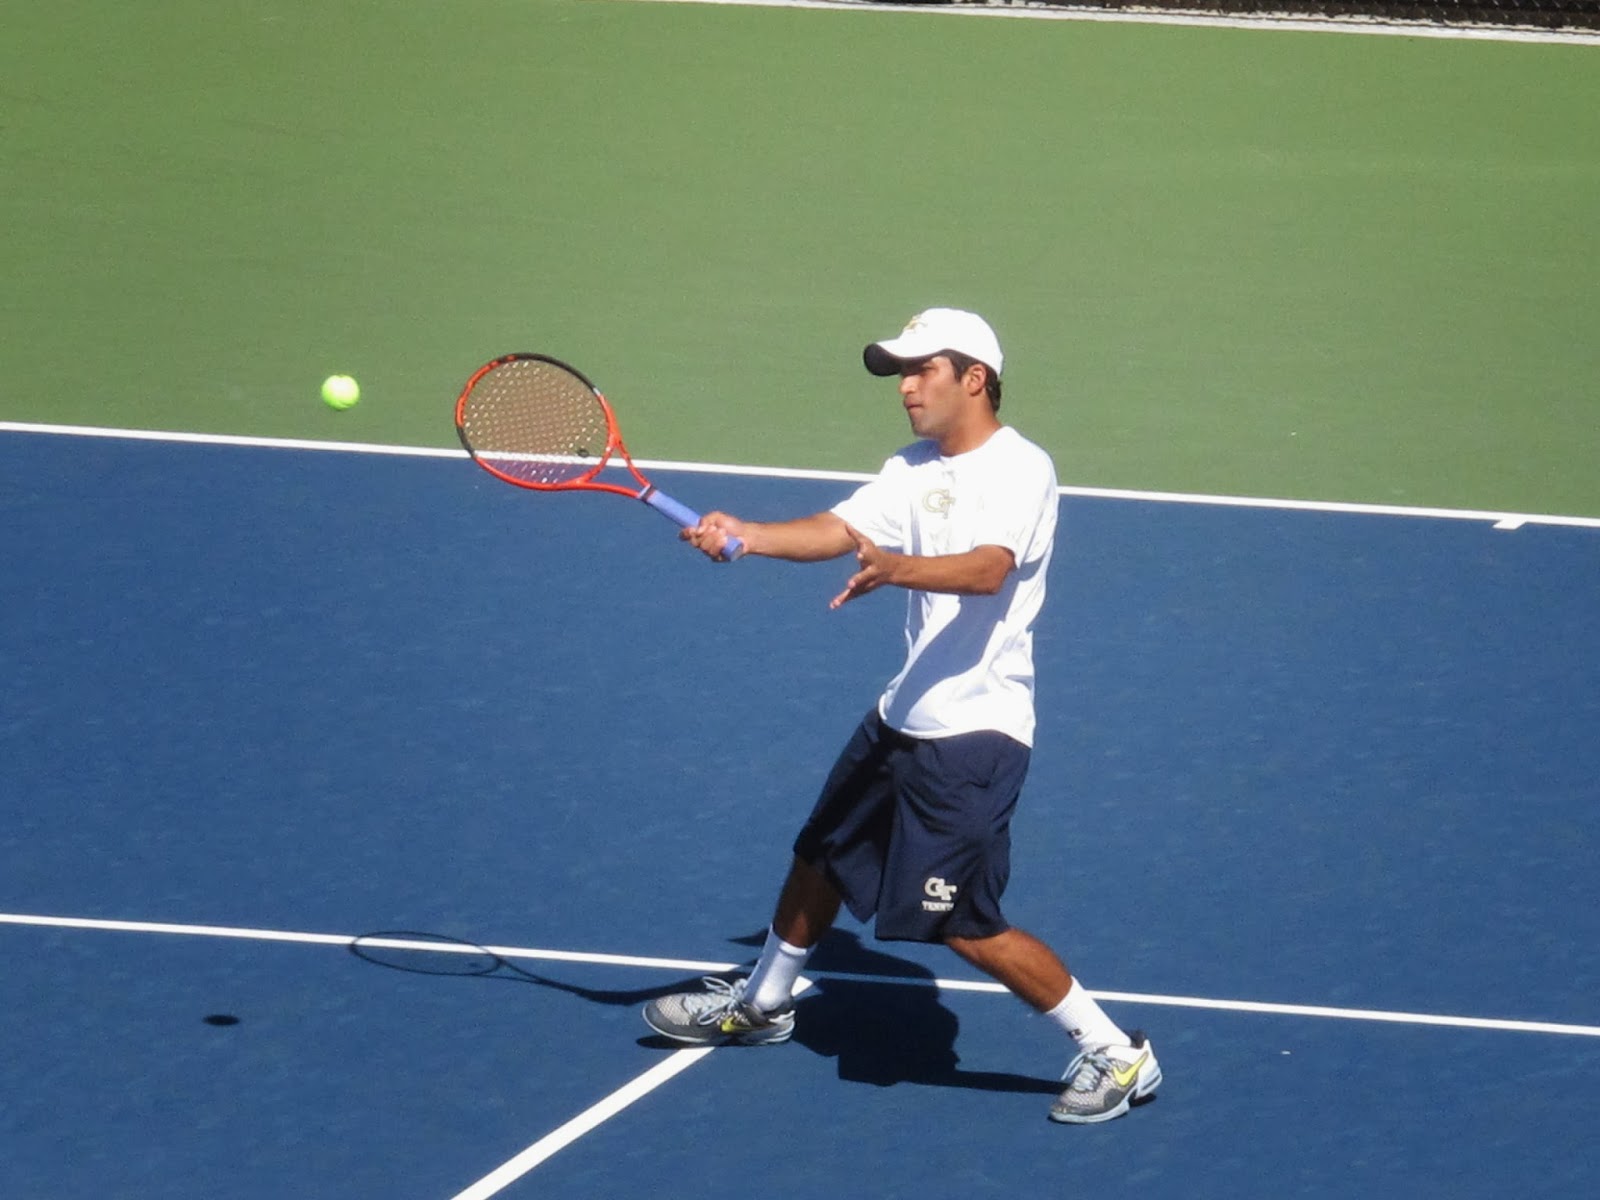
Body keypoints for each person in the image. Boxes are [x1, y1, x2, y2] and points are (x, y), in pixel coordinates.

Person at [643, 308, 1161, 1124]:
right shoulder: (911, 467)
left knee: (964, 923)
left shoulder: (1021, 469)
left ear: (975, 379)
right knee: (820, 855)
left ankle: (1117, 1055)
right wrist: (751, 533)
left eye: (923, 371)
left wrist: (899, 567)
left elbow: (988, 569)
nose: (907, 388)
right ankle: (763, 1003)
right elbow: (840, 528)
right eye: (900, 374)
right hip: (904, 713)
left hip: (973, 737)